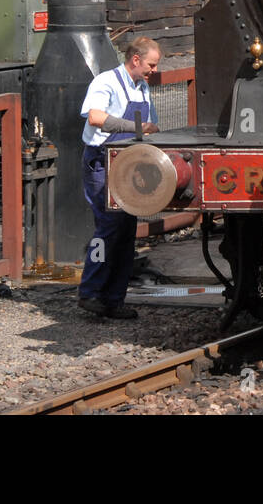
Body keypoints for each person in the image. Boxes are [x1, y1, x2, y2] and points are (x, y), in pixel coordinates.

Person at [77, 36, 161, 319]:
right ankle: (90, 291)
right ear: (135, 59)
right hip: (102, 162)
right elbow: (96, 118)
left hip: (129, 166)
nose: (153, 70)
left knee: (126, 232)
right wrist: (139, 127)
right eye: (151, 64)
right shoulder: (106, 82)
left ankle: (114, 299)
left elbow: (150, 128)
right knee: (108, 226)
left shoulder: (143, 87)